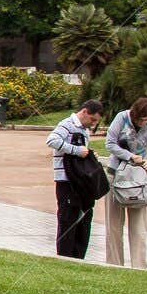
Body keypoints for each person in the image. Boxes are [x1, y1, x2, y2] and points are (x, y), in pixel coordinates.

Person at [104, 95, 147, 269]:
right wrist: (130, 156)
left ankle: (139, 267)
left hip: (139, 179)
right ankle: (114, 265)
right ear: (133, 115)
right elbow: (109, 144)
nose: (144, 123)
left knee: (139, 227)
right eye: (141, 120)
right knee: (114, 225)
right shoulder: (121, 118)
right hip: (116, 175)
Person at [47, 98, 105, 259]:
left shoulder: (84, 130)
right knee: (68, 218)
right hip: (66, 181)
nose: (92, 124)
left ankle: (78, 256)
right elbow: (52, 140)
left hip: (81, 182)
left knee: (83, 219)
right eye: (92, 119)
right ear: (85, 112)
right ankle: (65, 256)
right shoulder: (67, 124)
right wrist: (76, 150)